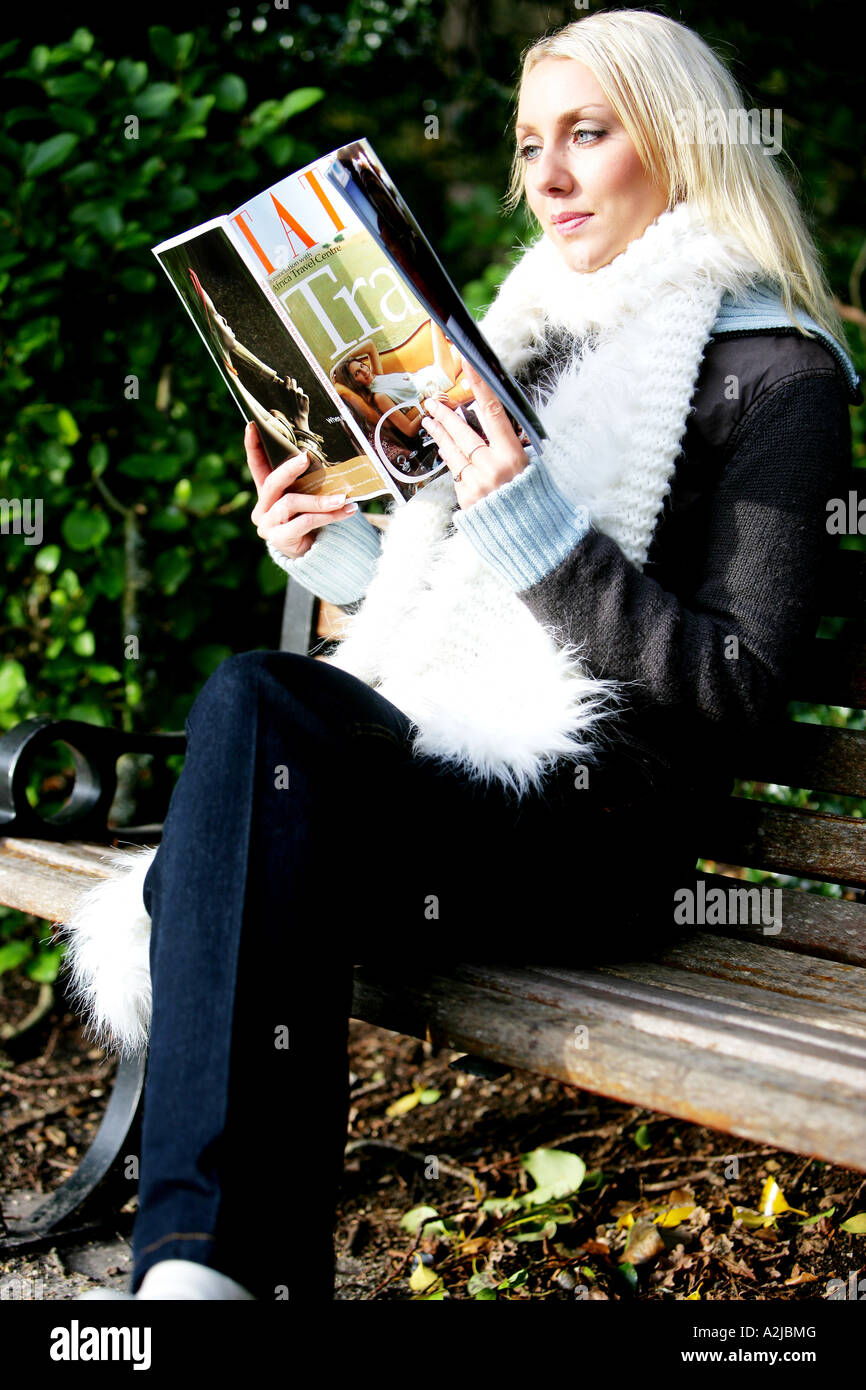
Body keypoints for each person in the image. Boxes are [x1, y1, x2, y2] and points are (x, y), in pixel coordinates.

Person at [69, 8, 860, 1302]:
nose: (543, 178)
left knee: (216, 856)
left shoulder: (776, 372)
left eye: (585, 136)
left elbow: (737, 695)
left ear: (680, 142)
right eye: (527, 144)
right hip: (467, 793)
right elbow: (480, 613)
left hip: (602, 831)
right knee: (252, 714)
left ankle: (214, 1271)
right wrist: (338, 561)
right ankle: (203, 1279)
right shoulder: (522, 339)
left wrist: (533, 524)